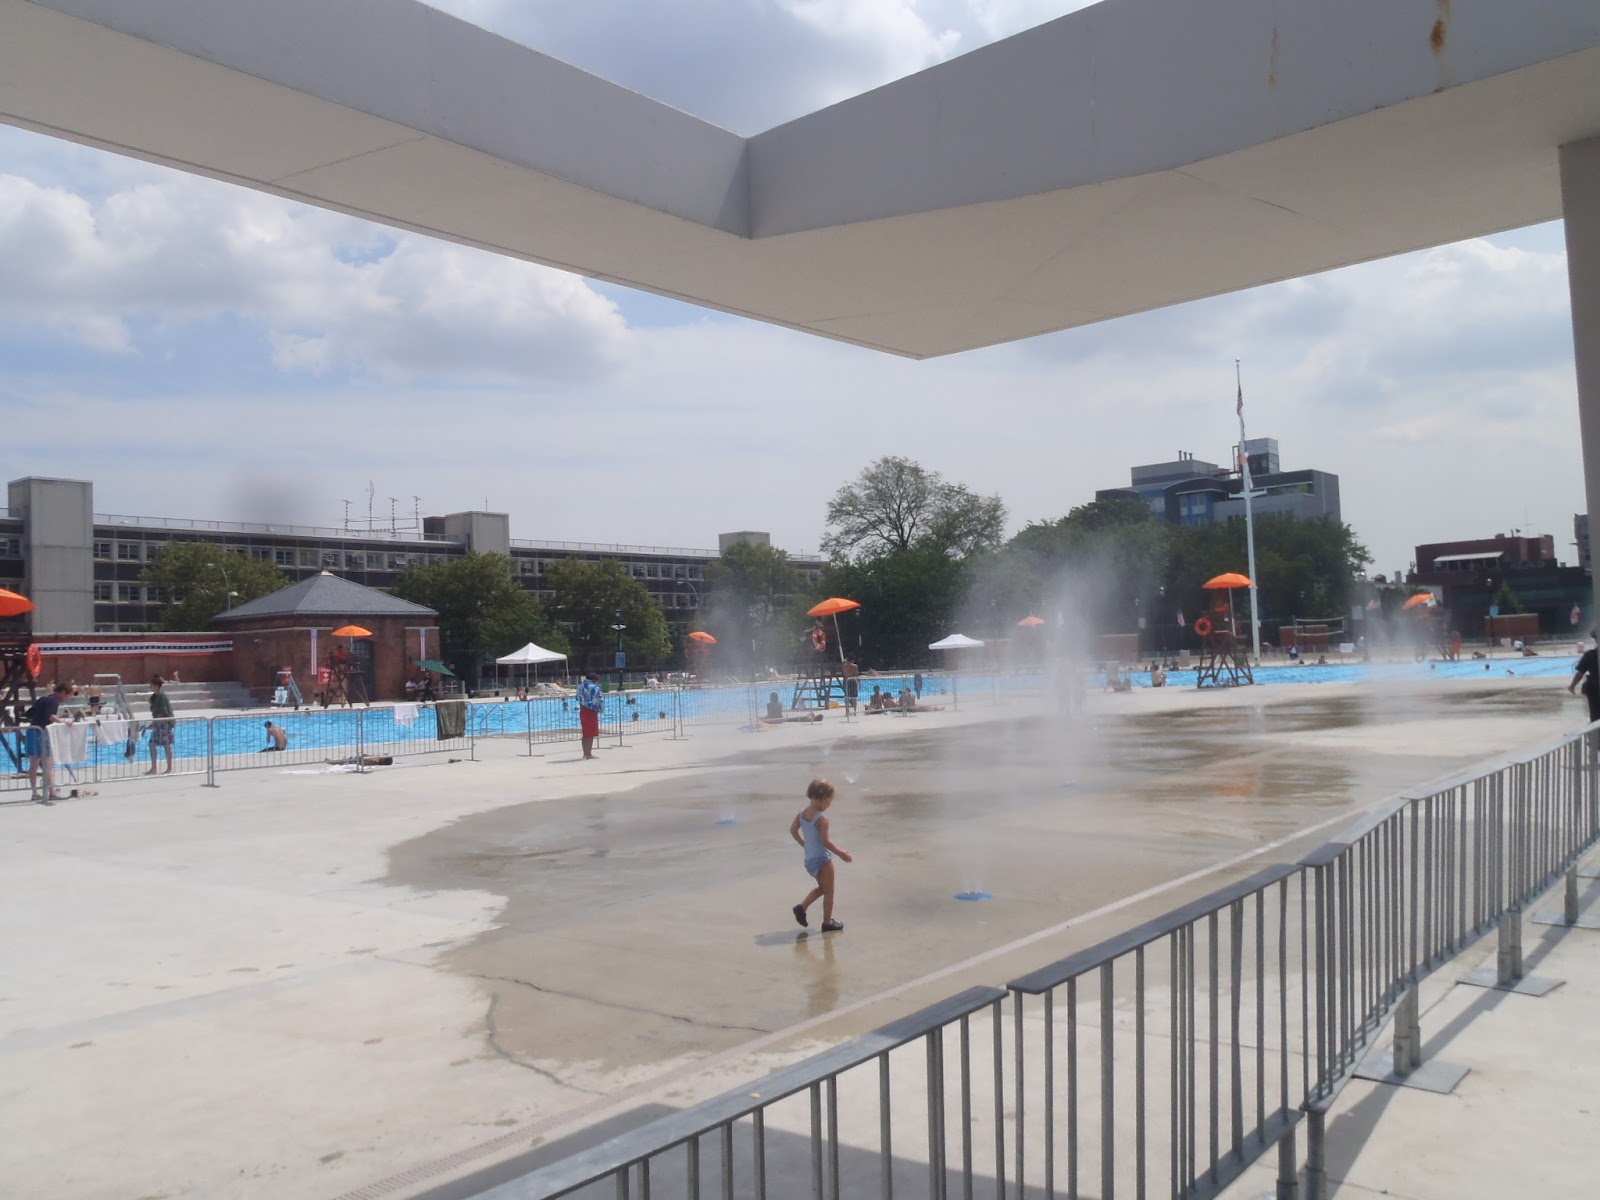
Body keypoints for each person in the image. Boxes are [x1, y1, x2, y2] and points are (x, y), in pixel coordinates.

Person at [790, 778, 851, 933]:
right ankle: (827, 923)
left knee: (823, 888)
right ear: (824, 798)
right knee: (829, 892)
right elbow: (825, 841)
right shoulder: (822, 819)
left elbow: (793, 830)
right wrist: (840, 853)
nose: (829, 804)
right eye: (830, 801)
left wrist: (805, 844)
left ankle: (801, 908)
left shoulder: (802, 813)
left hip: (809, 861)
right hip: (823, 860)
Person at [25, 683, 72, 804]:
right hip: (40, 733)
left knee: (35, 764)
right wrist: (64, 722)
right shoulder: (54, 701)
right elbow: (51, 716)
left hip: (33, 731)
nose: (66, 699)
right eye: (67, 696)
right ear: (63, 692)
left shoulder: (43, 699)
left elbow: (29, 713)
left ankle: (36, 792)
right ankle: (51, 792)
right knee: (47, 764)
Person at [146, 675, 175, 775]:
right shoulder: (156, 696)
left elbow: (163, 712)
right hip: (158, 723)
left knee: (166, 745)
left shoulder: (161, 696)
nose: (150, 687)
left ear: (157, 686)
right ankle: (154, 768)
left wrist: (154, 723)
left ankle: (169, 768)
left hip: (164, 724)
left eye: (151, 685)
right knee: (152, 744)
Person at [1569, 632, 1600, 723]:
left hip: (1594, 688)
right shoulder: (1589, 655)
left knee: (1595, 714)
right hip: (1594, 688)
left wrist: (1572, 686)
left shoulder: (1589, 655)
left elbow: (1580, 673)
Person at [577, 672, 604, 759]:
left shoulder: (580, 686)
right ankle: (589, 754)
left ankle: (585, 753)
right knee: (590, 734)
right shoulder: (594, 687)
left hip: (582, 711)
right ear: (594, 680)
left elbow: (578, 698)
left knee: (585, 733)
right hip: (591, 712)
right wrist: (601, 709)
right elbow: (600, 699)